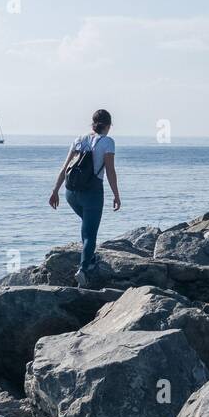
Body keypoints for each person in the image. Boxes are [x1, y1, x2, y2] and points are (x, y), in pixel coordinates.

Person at [49, 109, 121, 285]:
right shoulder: (107, 142)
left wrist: (55, 191)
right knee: (90, 233)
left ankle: (91, 257)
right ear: (109, 125)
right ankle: (84, 269)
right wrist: (116, 195)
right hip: (92, 192)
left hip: (71, 193)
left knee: (87, 224)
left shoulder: (79, 140)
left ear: (93, 123)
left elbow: (65, 168)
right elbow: (110, 170)